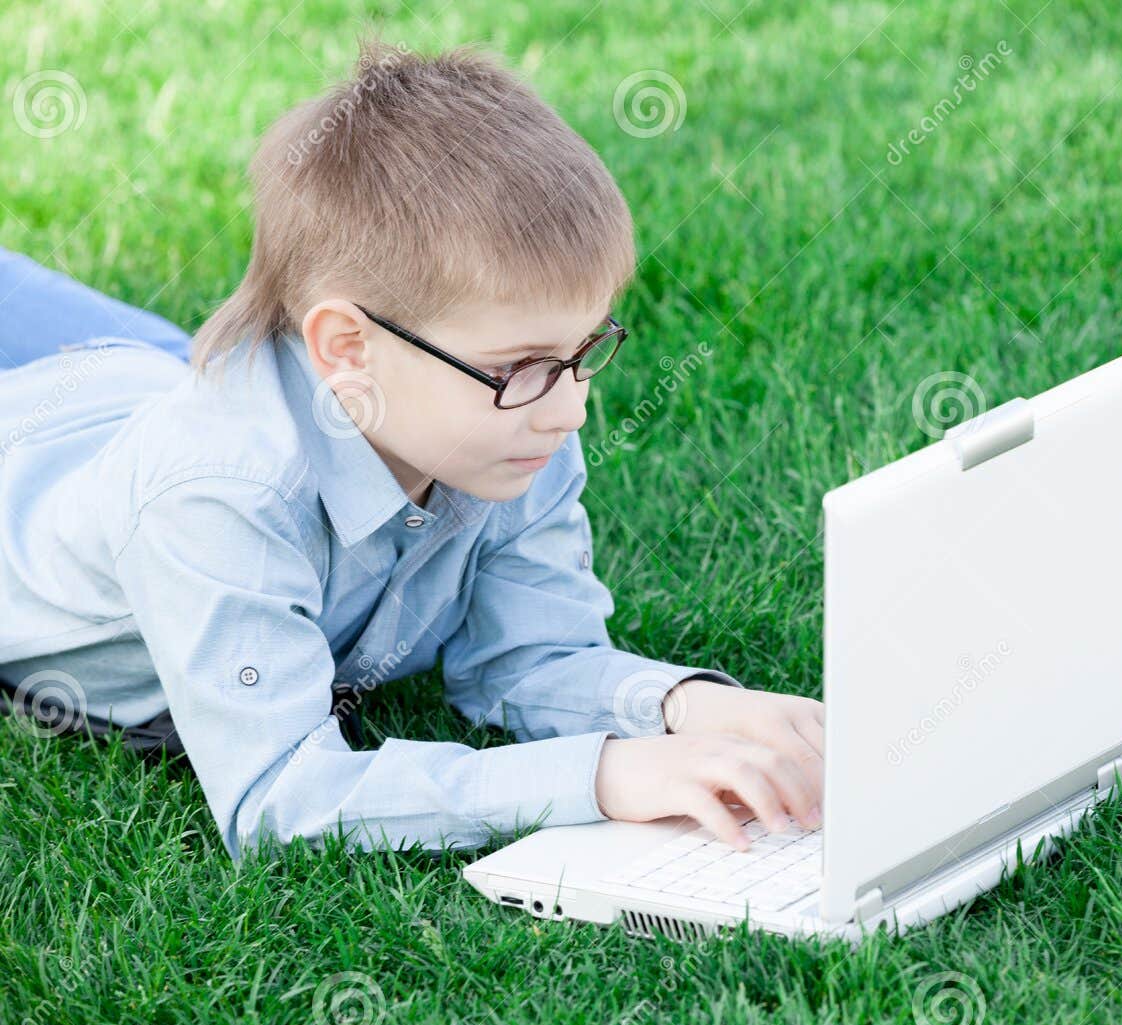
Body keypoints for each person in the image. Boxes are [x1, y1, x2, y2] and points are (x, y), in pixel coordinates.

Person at [0, 42, 823, 860]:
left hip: (136, 377)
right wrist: (600, 776)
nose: (571, 408)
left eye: (582, 352)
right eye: (522, 366)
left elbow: (527, 657)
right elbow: (279, 797)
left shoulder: (508, 422)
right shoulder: (217, 496)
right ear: (350, 349)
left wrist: (683, 705)